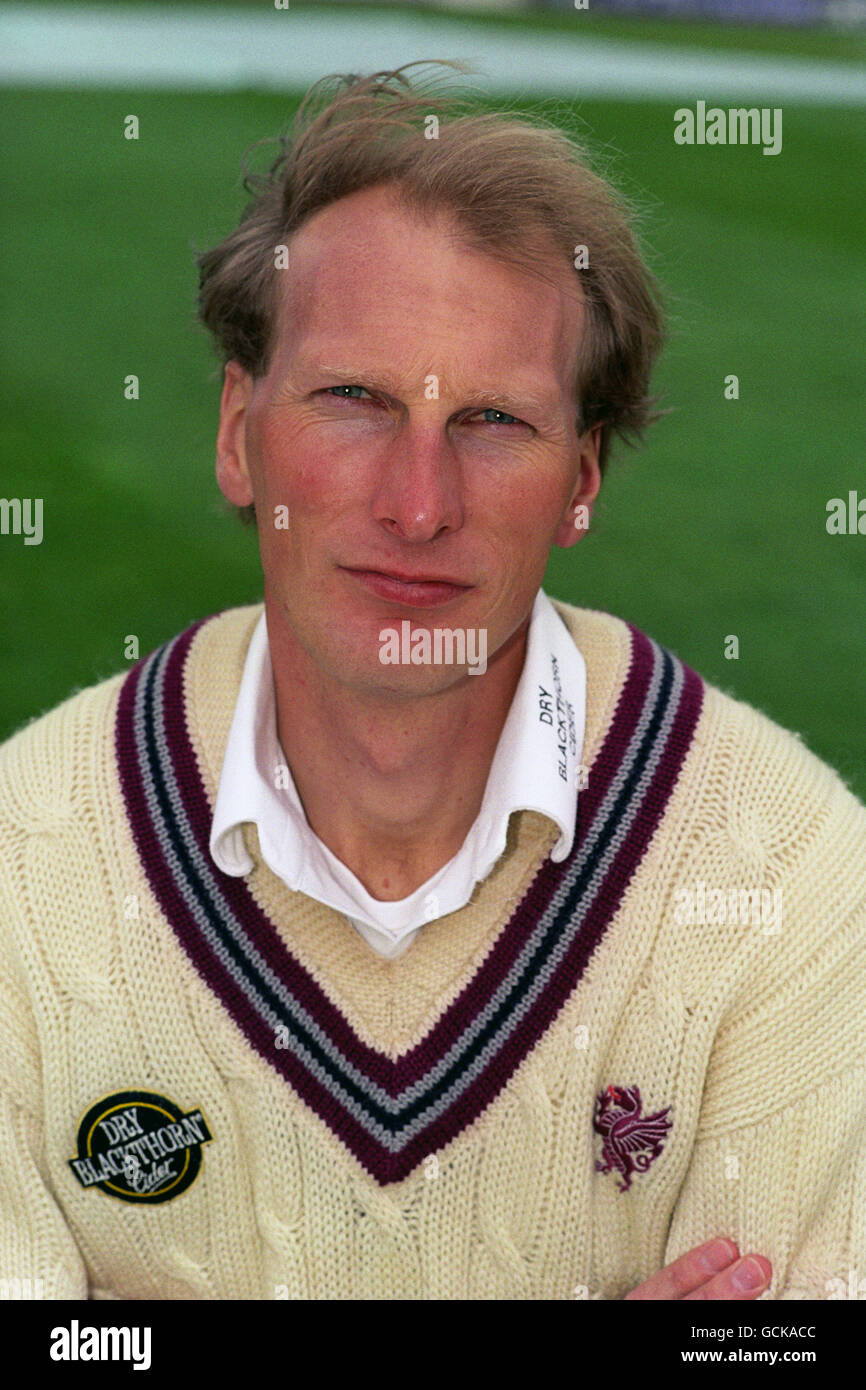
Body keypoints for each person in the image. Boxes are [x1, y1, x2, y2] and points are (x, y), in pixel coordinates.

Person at [1, 62, 863, 1302]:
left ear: (582, 482)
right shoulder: (23, 866)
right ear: (238, 432)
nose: (417, 504)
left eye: (494, 422)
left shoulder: (791, 874)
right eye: (353, 399)